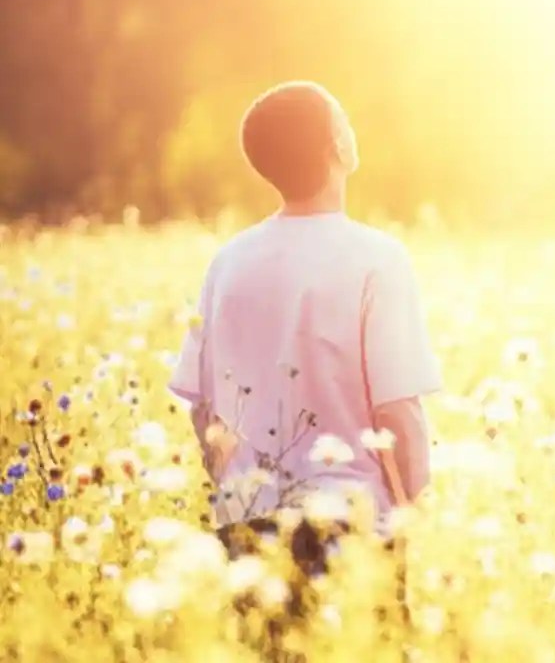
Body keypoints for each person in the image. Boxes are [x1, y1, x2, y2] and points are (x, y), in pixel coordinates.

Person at [167, 80, 442, 561]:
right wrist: (409, 509)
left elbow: (203, 411)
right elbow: (396, 411)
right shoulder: (377, 259)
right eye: (343, 118)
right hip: (352, 525)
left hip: (246, 524)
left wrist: (240, 488)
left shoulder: (228, 261)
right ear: (337, 144)